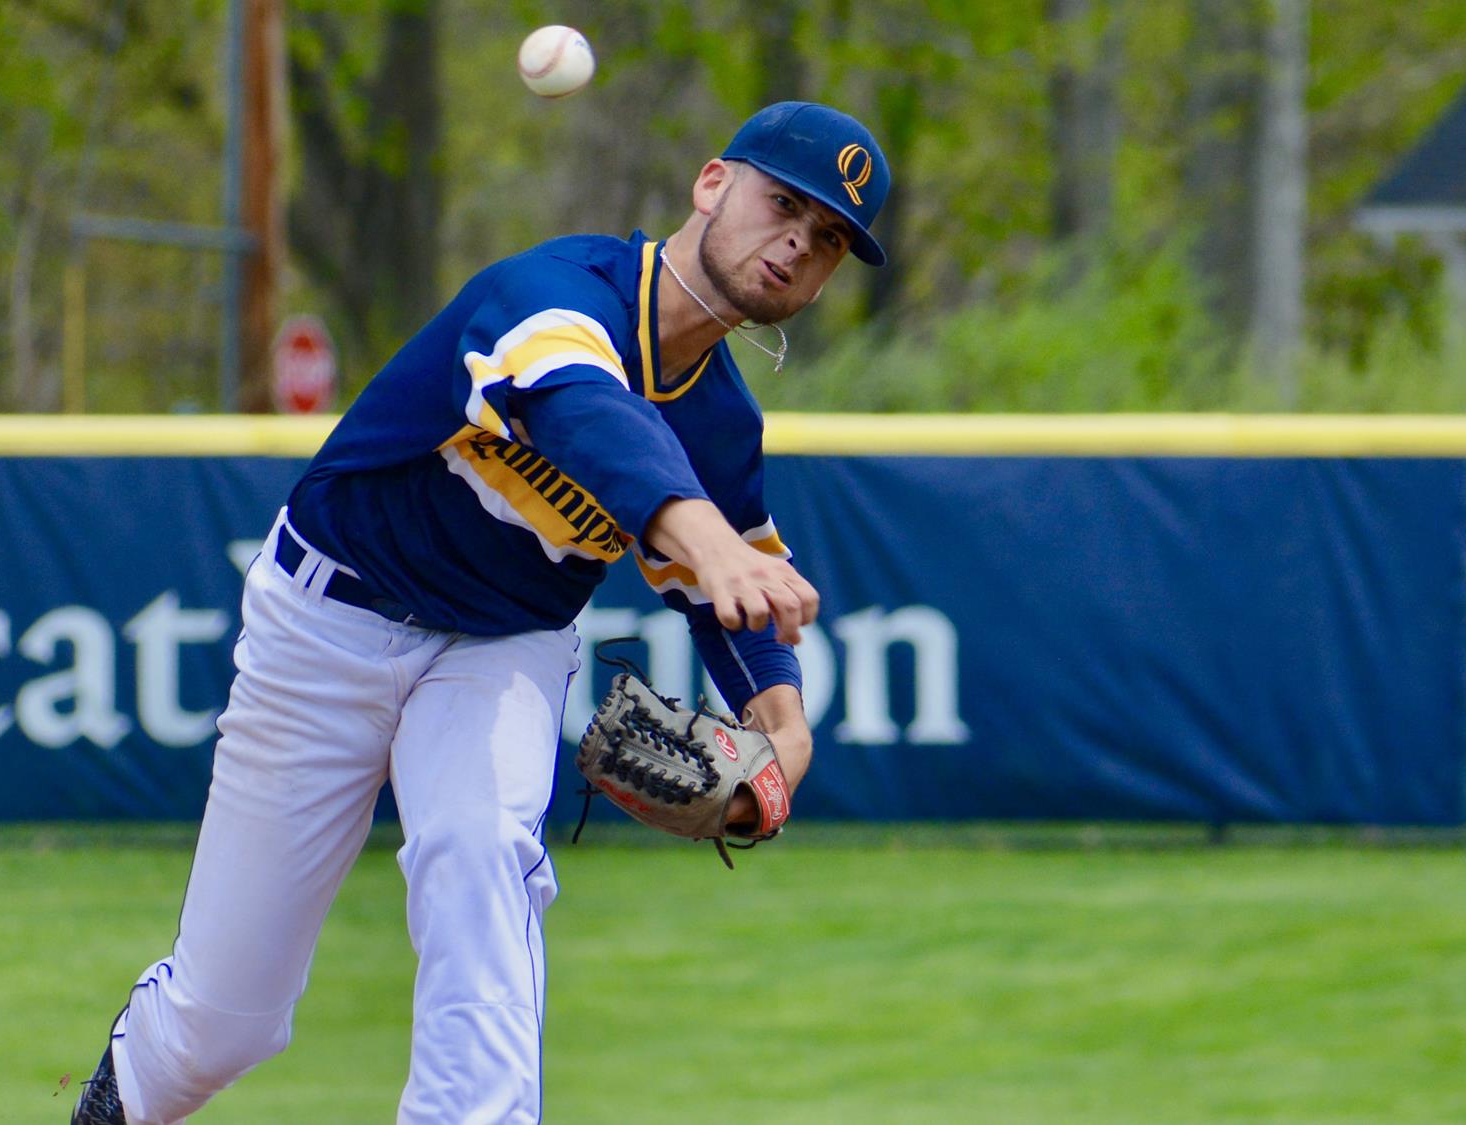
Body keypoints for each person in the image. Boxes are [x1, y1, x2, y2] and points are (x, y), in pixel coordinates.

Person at [72, 100, 891, 1125]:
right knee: (224, 1021)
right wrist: (702, 534)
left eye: (825, 242)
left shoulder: (721, 423)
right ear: (711, 183)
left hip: (502, 646)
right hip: (327, 624)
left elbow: (743, 604)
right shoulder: (548, 292)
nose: (795, 247)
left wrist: (784, 727)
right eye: (783, 205)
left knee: (481, 855)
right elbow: (576, 406)